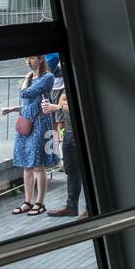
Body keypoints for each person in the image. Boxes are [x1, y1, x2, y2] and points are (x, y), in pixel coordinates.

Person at [3, 55, 59, 217]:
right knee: (26, 165)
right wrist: (13, 109)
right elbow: (28, 104)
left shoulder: (47, 77)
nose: (28, 62)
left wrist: (27, 78)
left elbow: (26, 93)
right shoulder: (30, 78)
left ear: (40, 59)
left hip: (39, 123)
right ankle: (27, 201)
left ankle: (39, 202)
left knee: (37, 164)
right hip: (27, 121)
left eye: (32, 58)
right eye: (26, 59)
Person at [45, 59, 84, 219]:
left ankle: (91, 208)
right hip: (68, 132)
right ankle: (71, 206)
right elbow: (63, 101)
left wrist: (61, 106)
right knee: (70, 170)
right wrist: (63, 104)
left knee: (85, 171)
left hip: (79, 132)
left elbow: (77, 105)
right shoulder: (65, 88)